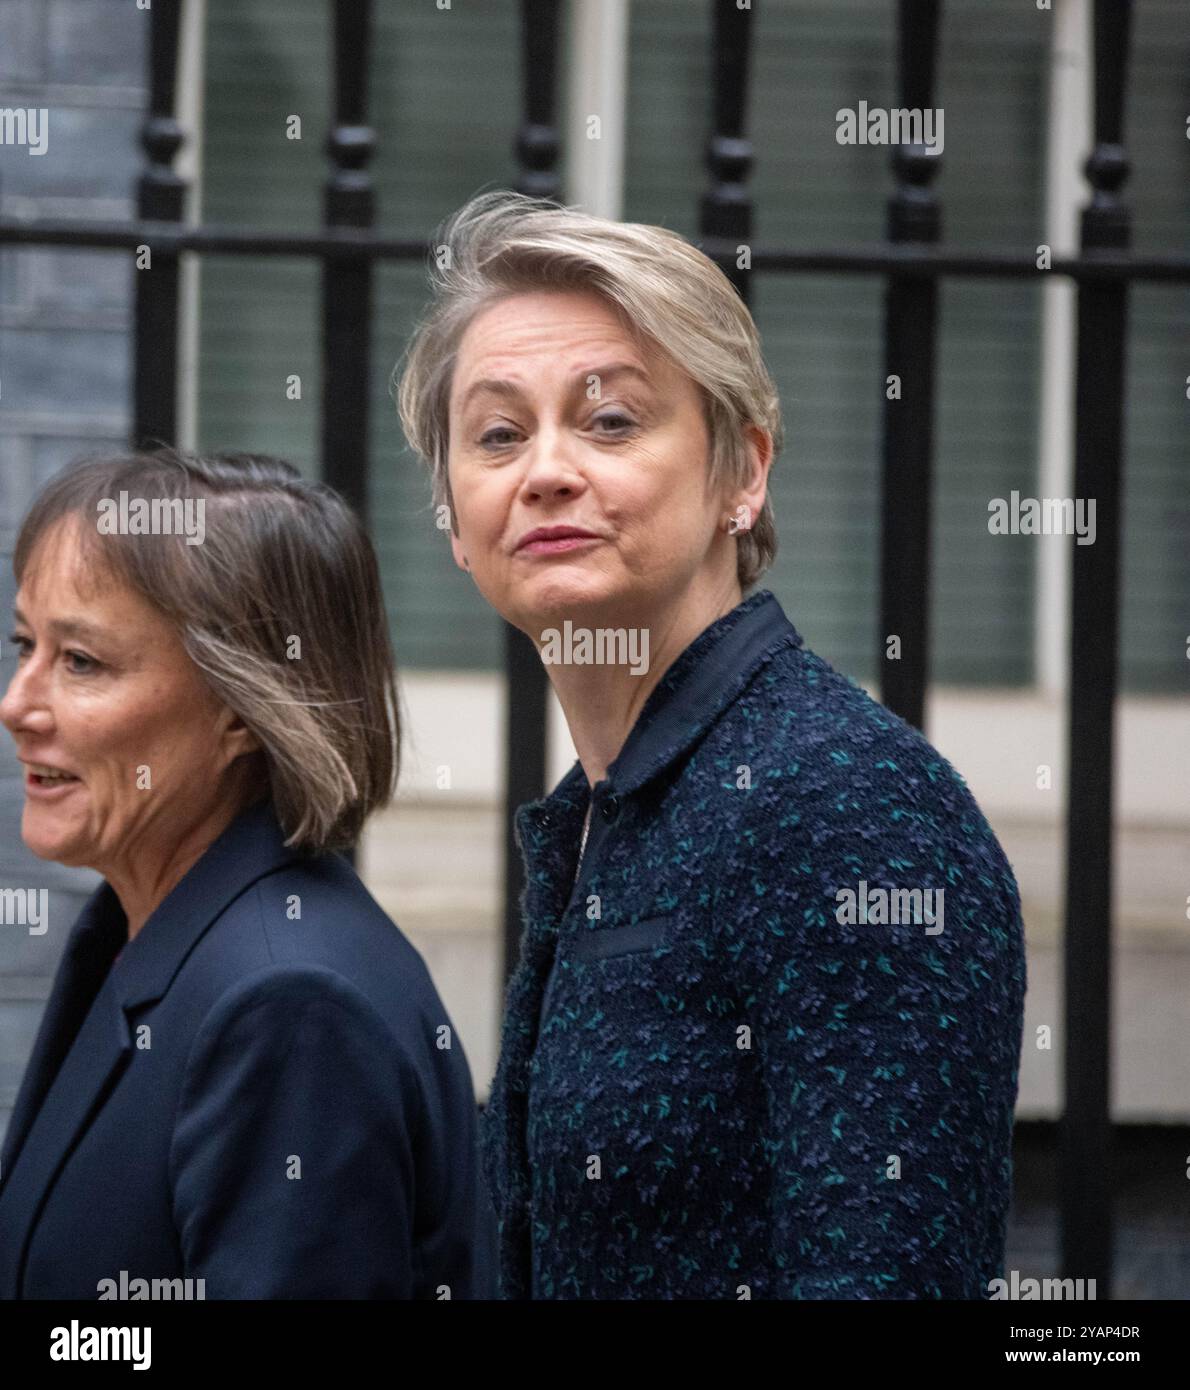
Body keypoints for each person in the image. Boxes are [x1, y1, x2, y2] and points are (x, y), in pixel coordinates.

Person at [395, 190, 1027, 1299]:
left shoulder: (849, 804)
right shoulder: (596, 808)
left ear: (742, 471)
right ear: (451, 516)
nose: (544, 468)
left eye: (610, 420)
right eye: (497, 433)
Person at [0, 449, 487, 1299]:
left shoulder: (289, 1005)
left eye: (82, 661)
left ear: (240, 711)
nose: (18, 702)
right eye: (24, 644)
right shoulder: (141, 932)